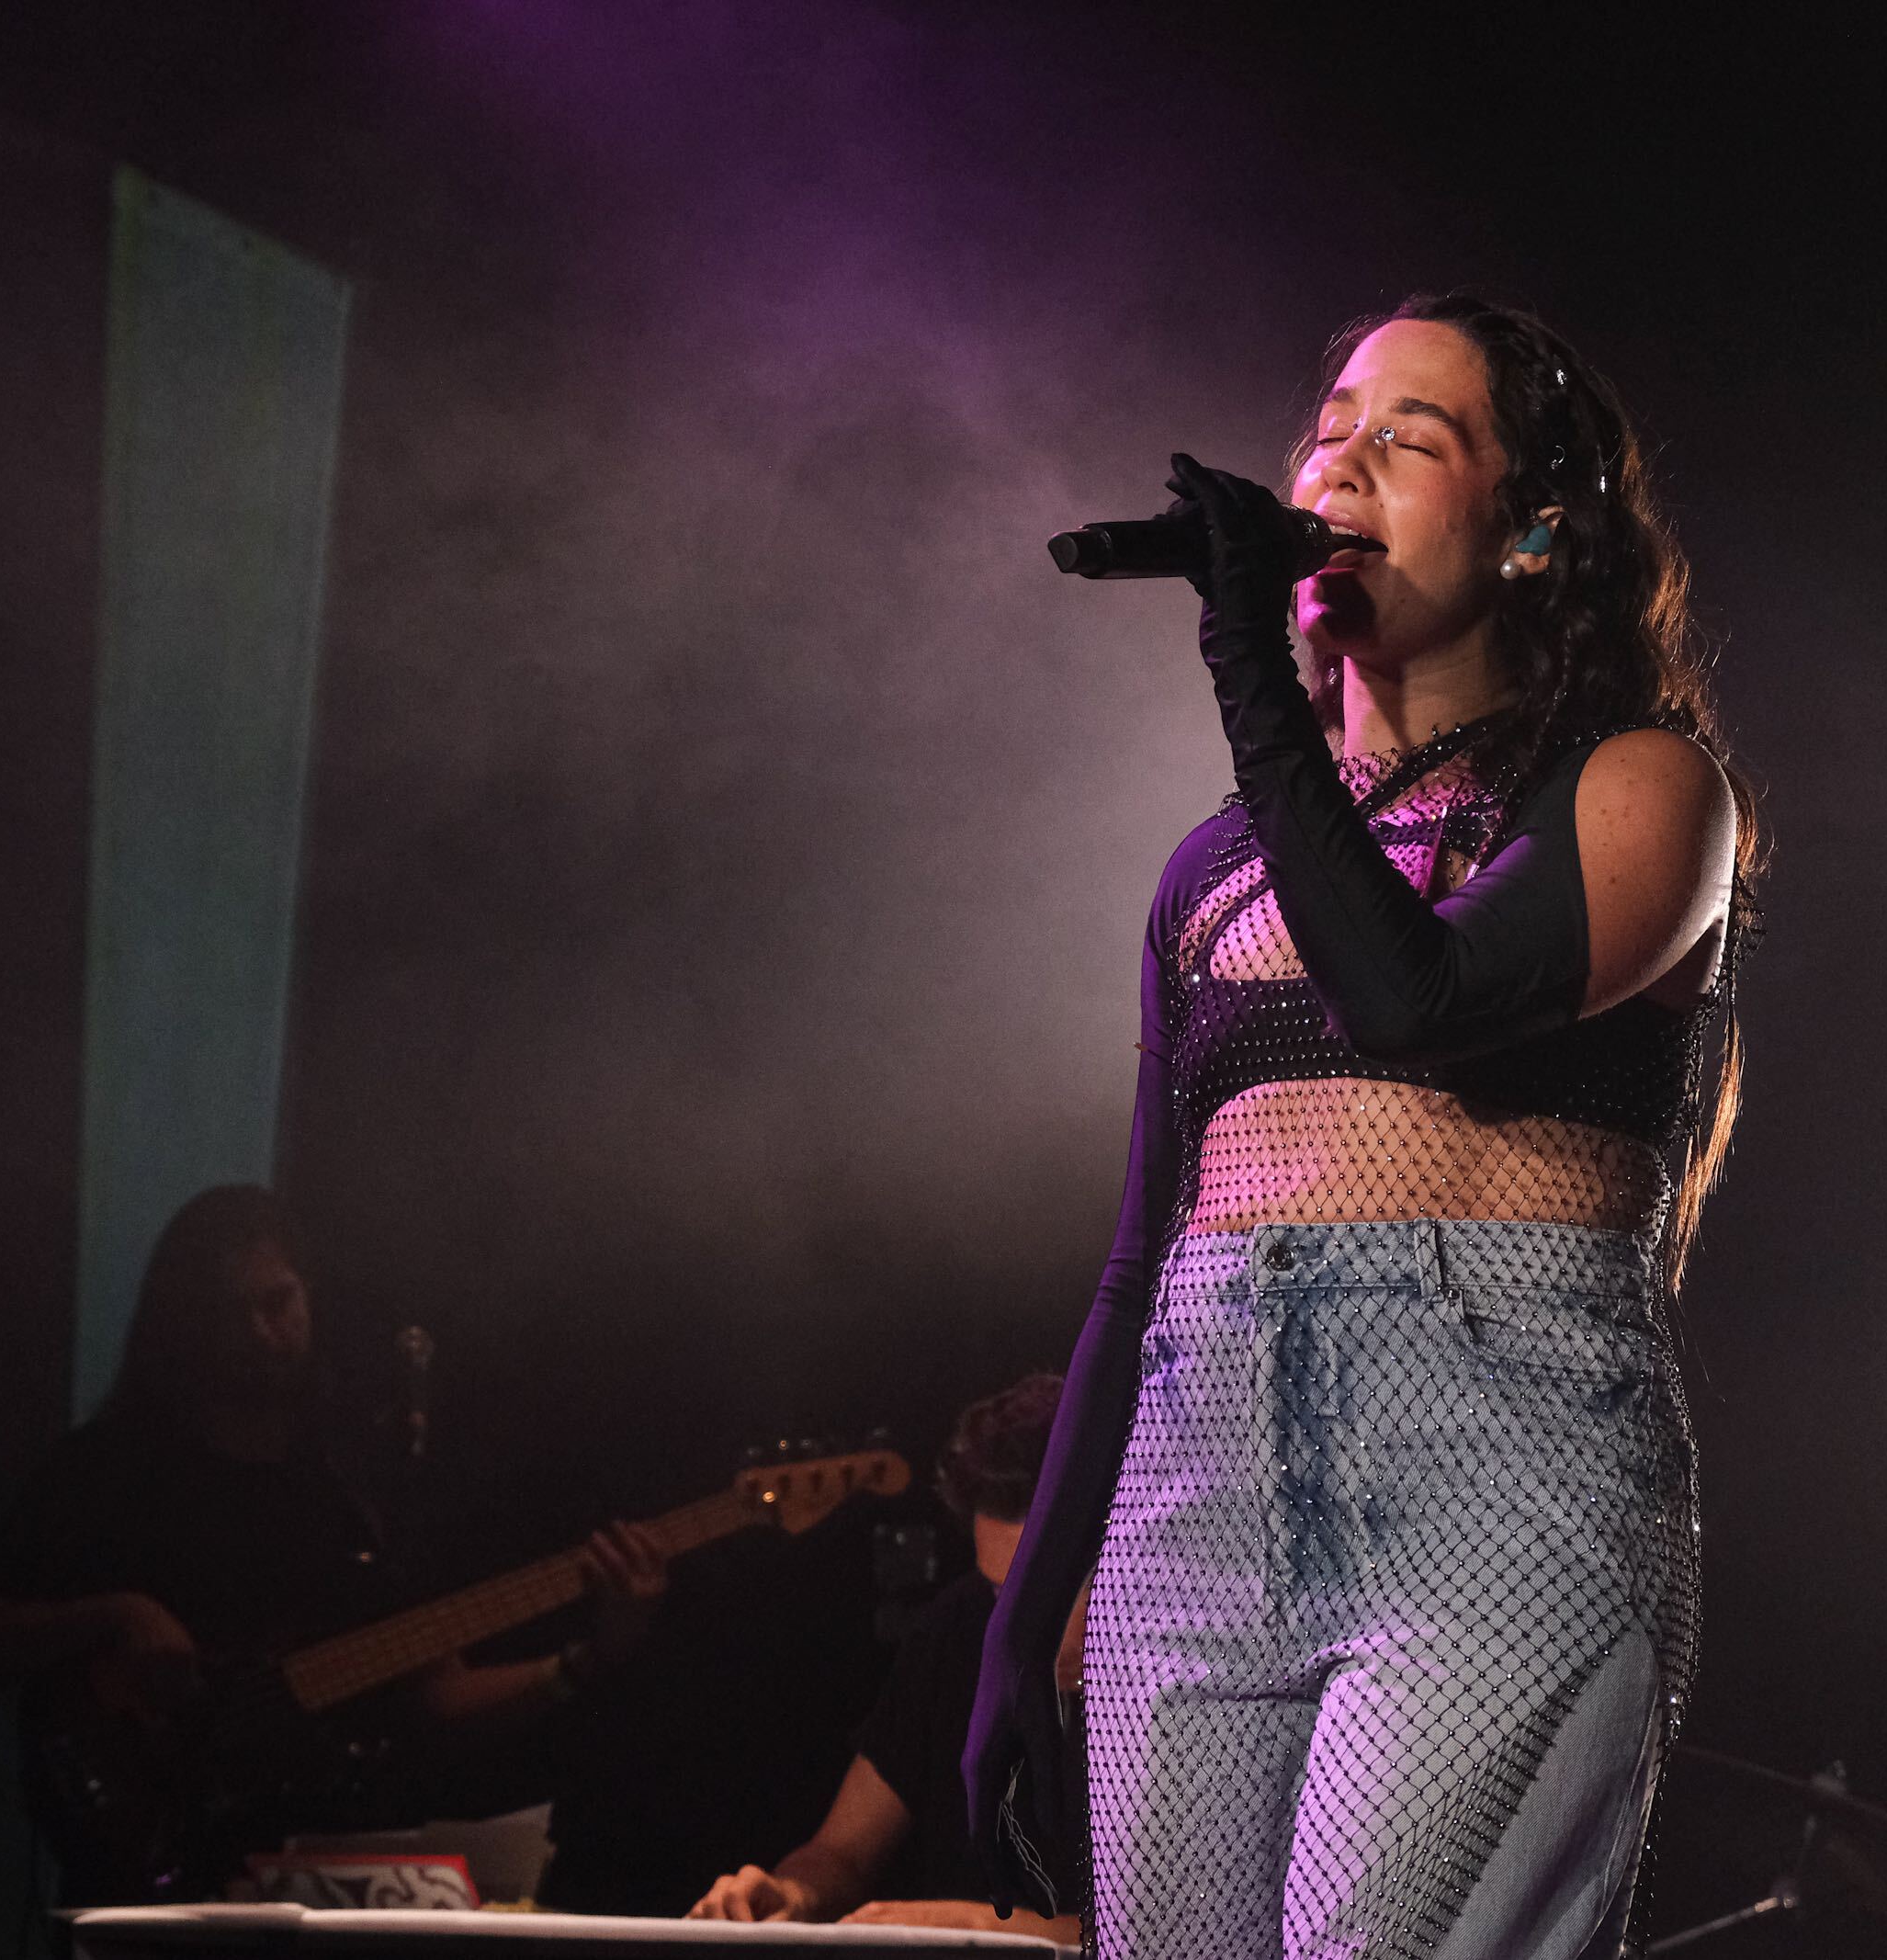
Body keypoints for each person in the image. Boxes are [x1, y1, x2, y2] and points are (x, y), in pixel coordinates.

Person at [966, 292, 1760, 1960]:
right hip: (1196, 1476)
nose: (1340, 458)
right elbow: (1135, 1261)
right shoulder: (1213, 873)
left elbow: (1424, 1002)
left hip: (1501, 1472)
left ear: (1538, 530)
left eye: (1412, 437)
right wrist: (1024, 1615)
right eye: (1330, 424)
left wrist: (1247, 657)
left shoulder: (1643, 786)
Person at [0, 1184, 668, 1897]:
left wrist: (590, 1656)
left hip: (320, 1877)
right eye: (232, 1312)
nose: (262, 1333)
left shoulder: (356, 1478)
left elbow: (432, 1690)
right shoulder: (109, 1467)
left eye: (278, 1302)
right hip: (152, 1876)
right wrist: (113, 1615)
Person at [689, 1376, 1085, 1944]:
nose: (1012, 1636)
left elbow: (1211, 1935)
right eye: (1000, 1594)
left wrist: (978, 1927)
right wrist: (794, 1894)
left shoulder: (1218, 1681)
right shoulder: (956, 1628)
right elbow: (841, 1852)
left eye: (1042, 1597)